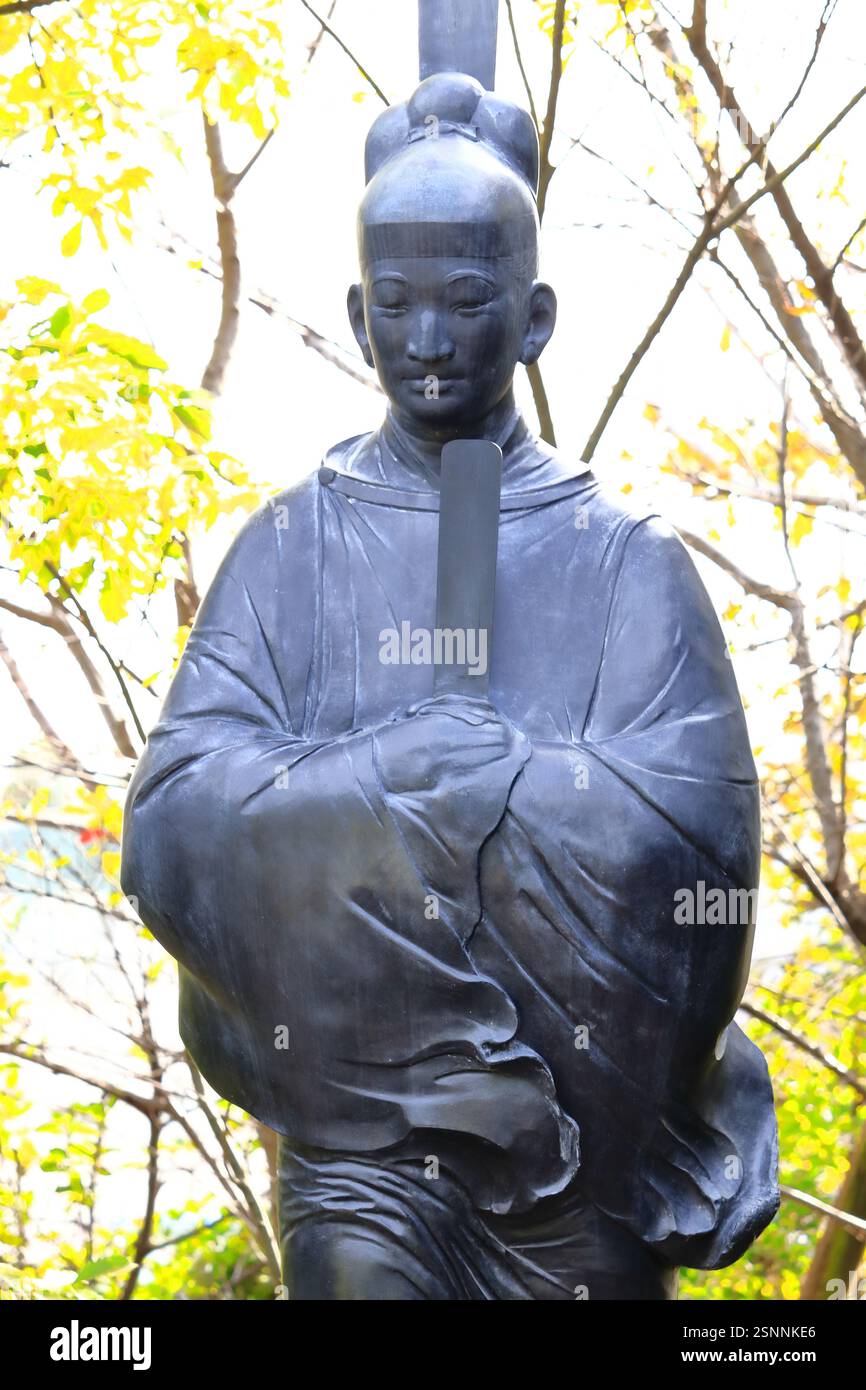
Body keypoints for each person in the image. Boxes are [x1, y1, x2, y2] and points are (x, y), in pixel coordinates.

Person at [121, 73, 778, 1300]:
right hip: (368, 1151)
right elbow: (173, 822)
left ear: (533, 319)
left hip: (587, 1156)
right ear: (359, 316)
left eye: (466, 303)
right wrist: (388, 787)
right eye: (399, 307)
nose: (428, 343)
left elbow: (699, 847)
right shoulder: (292, 547)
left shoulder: (627, 560)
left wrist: (498, 786)